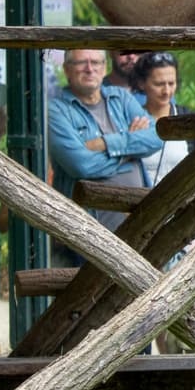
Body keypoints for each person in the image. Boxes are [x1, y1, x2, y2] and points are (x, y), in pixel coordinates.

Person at [47, 49, 162, 267]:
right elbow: (81, 165)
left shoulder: (121, 98)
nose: (90, 69)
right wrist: (130, 151)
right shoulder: (55, 110)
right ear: (67, 70)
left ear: (105, 67)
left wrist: (105, 143)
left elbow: (157, 137)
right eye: (81, 63)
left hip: (136, 227)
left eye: (96, 62)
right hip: (86, 236)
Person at [132, 51, 191, 187]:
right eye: (159, 84)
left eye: (171, 83)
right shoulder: (132, 120)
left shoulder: (188, 119)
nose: (167, 91)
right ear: (141, 83)